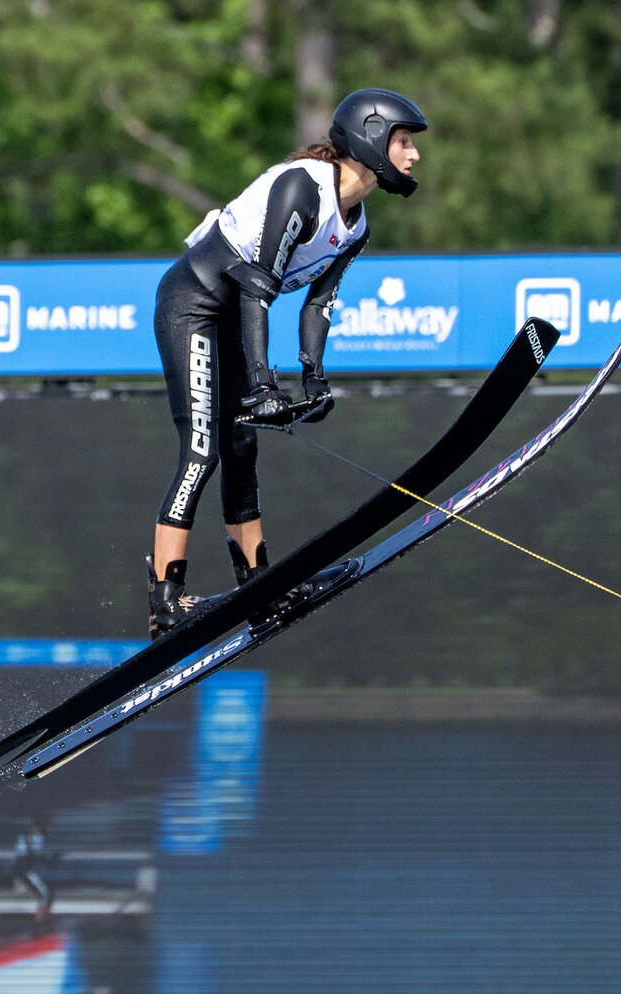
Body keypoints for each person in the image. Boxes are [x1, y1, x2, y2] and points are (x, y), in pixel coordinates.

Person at [145, 87, 428, 638]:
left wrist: (314, 377)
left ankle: (258, 588)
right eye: (403, 142)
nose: (413, 155)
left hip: (233, 315)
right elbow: (256, 288)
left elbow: (319, 303)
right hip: (193, 305)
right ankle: (165, 601)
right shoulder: (303, 188)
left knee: (242, 447)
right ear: (371, 140)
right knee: (202, 450)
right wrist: (263, 383)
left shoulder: (357, 223)